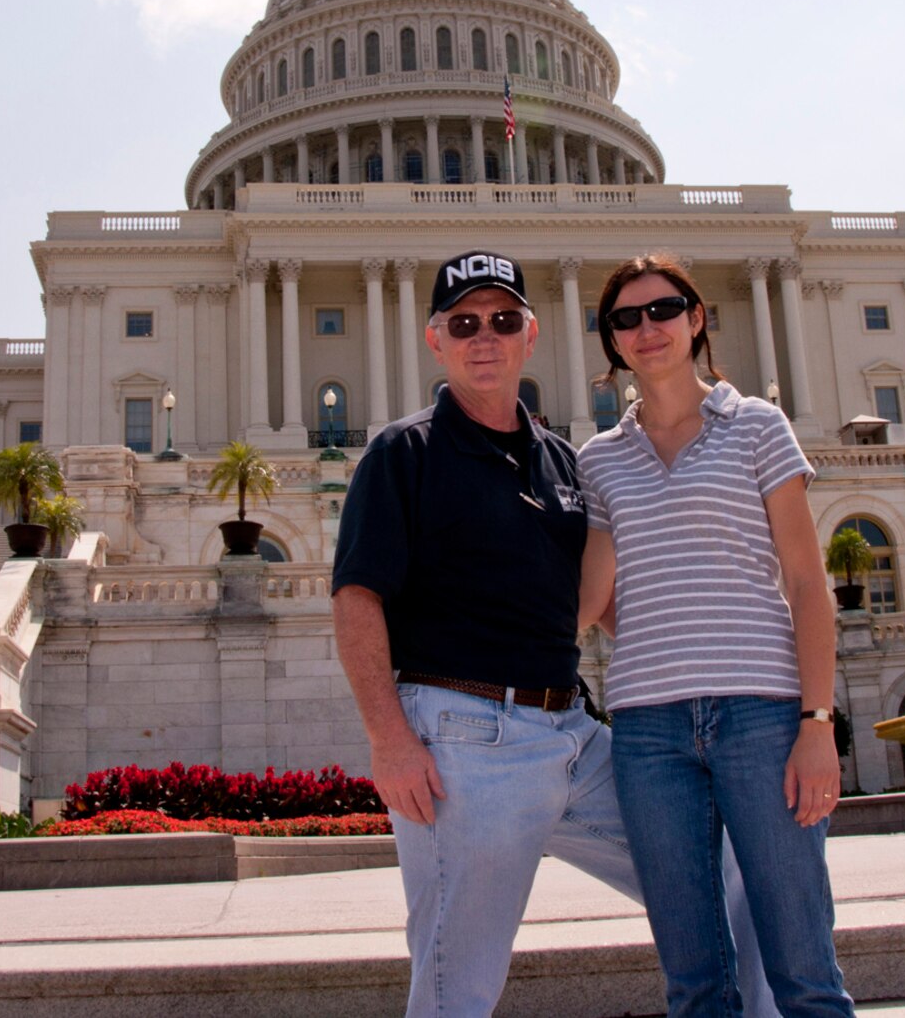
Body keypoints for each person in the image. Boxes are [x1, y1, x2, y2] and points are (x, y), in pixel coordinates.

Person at [331, 251, 779, 1018]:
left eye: (503, 320)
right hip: (465, 740)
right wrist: (388, 738)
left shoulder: (564, 461)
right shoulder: (404, 453)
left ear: (530, 334)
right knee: (455, 985)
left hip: (574, 733)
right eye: (464, 323)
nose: (485, 337)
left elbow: (601, 601)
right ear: (435, 339)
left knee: (733, 863)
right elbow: (356, 598)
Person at [577, 253, 854, 1017]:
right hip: (648, 731)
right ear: (613, 340)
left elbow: (807, 583)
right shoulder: (599, 459)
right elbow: (593, 597)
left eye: (663, 309)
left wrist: (817, 723)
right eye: (625, 318)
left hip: (762, 715)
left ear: (696, 318)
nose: (647, 327)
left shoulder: (758, 425)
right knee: (693, 980)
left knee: (804, 968)